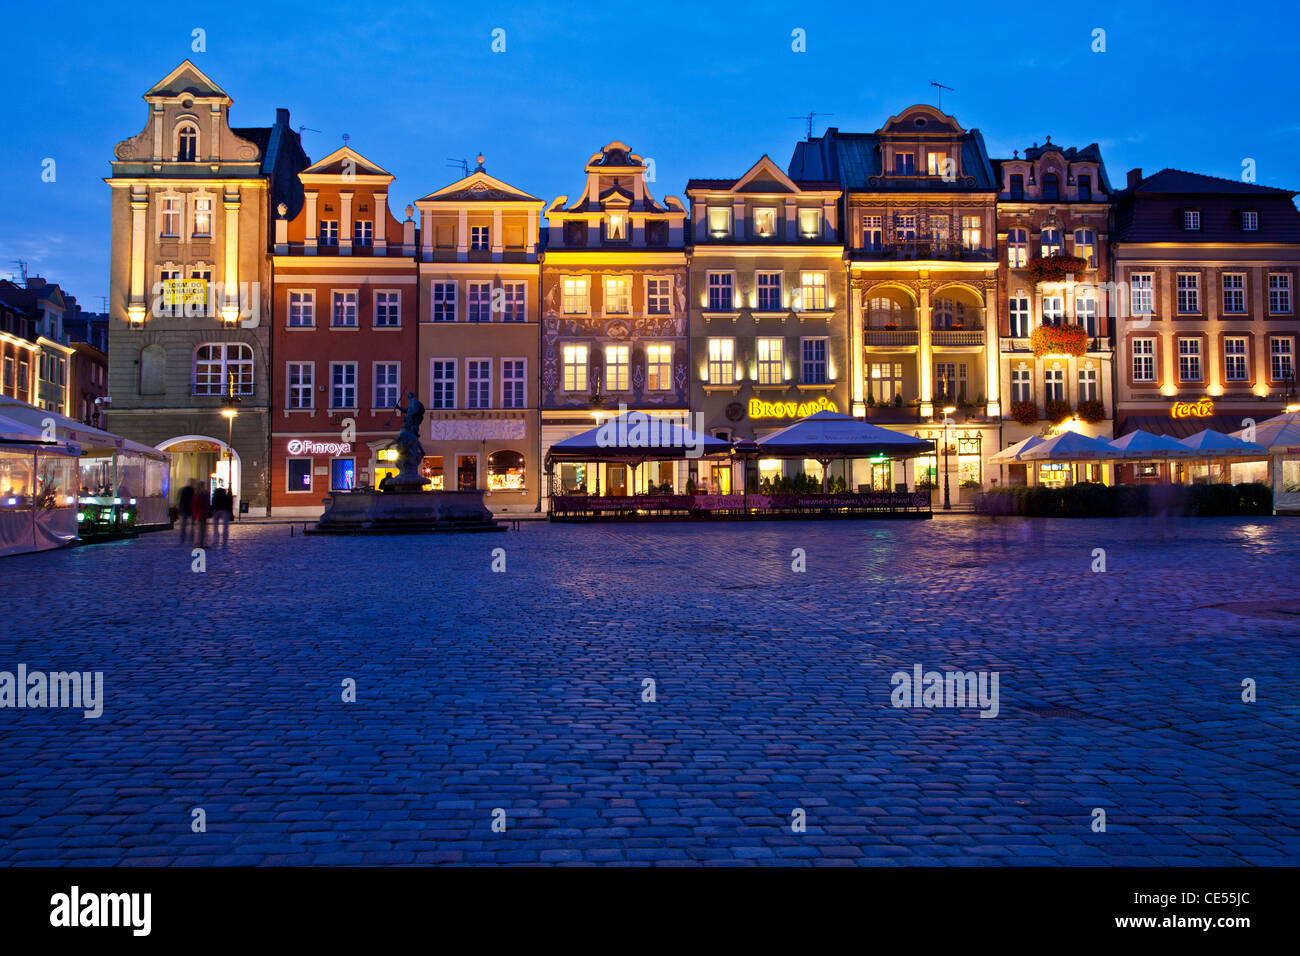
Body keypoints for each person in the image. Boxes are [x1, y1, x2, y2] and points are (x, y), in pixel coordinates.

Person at [191, 480, 211, 548]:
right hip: (201, 514)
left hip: (203, 514)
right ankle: (200, 544)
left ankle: (202, 543)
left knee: (203, 530)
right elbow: (196, 505)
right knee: (201, 530)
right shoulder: (199, 495)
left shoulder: (201, 494)